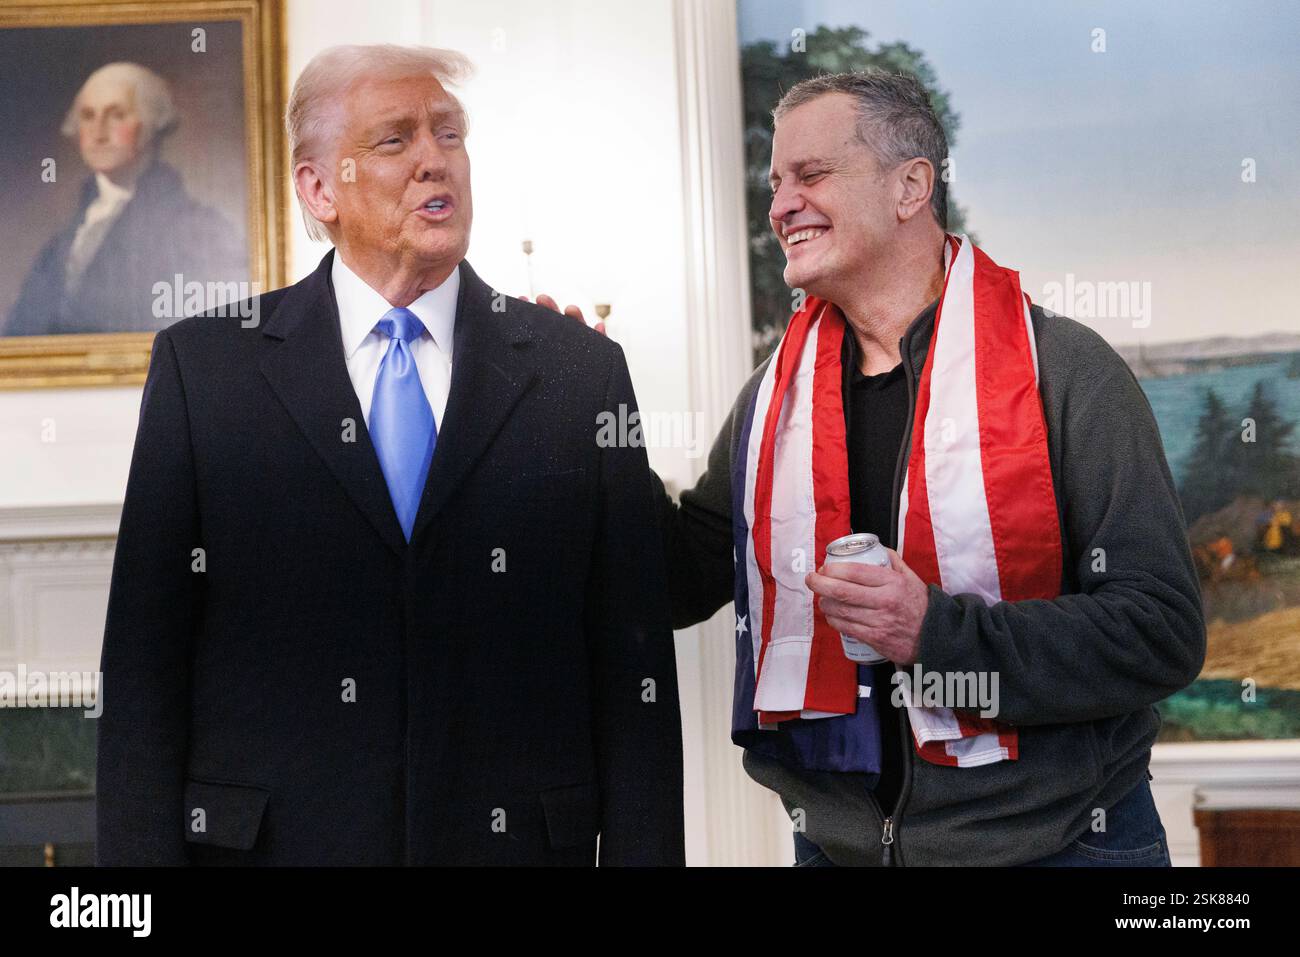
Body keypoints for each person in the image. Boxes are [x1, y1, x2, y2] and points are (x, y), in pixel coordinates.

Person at [544, 70, 1204, 866]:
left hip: (1061, 847)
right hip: (836, 848)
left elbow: (1160, 630)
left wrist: (936, 631)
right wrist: (583, 418)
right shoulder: (774, 396)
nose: (781, 204)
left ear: (911, 186)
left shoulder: (1066, 371)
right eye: (777, 181)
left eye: (811, 174)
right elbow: (678, 577)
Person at [94, 44, 684, 866]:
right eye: (394, 140)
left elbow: (634, 675)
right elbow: (141, 674)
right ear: (317, 188)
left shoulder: (578, 372)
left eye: (449, 133)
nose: (434, 160)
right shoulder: (206, 368)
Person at [5, 62, 246, 337]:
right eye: (87, 115)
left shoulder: (197, 229)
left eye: (116, 115)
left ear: (150, 124)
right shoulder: (62, 242)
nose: (98, 130)